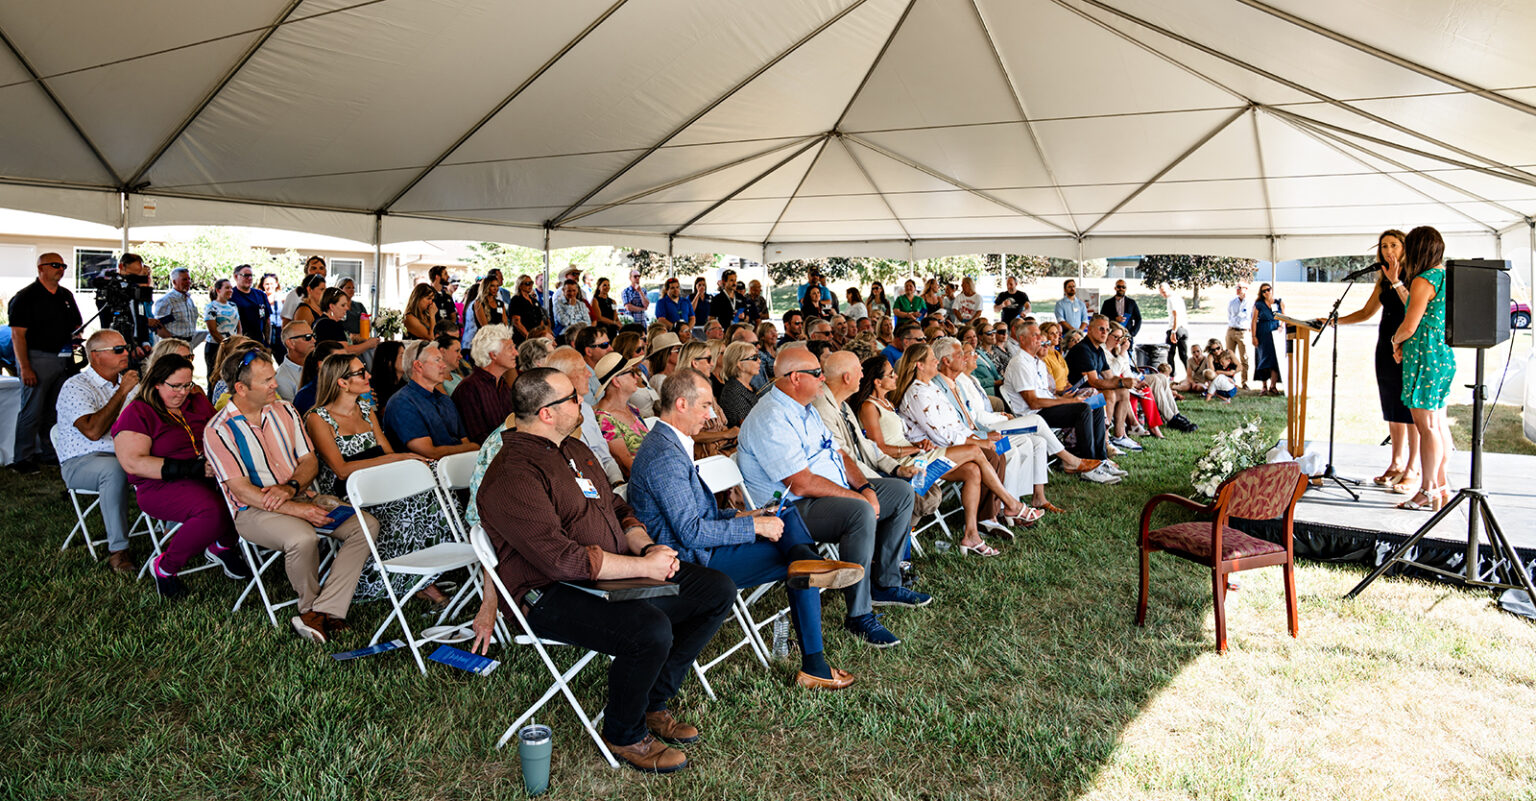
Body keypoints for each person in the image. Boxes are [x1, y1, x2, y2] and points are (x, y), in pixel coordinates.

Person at [474, 367, 736, 773]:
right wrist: (642, 566)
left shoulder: (572, 449)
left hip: (614, 570)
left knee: (715, 589)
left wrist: (646, 545)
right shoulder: (513, 473)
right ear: (546, 413)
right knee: (648, 628)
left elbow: (616, 507)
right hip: (549, 593)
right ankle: (624, 733)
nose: (582, 402)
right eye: (572, 399)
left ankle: (651, 702)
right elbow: (561, 559)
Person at [629, 368, 864, 690]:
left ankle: (807, 562)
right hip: (690, 561)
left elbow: (702, 516)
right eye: (705, 406)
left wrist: (747, 516)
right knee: (796, 567)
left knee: (786, 513)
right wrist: (754, 526)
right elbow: (690, 533)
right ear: (681, 404)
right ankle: (814, 664)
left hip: (702, 545)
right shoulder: (663, 455)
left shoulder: (671, 443)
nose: (711, 415)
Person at [736, 347, 926, 649]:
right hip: (789, 510)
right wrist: (858, 498)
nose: (823, 378)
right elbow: (800, 484)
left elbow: (839, 453)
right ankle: (859, 615)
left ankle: (886, 583)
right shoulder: (771, 417)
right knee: (858, 512)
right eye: (817, 373)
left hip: (828, 494)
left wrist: (864, 488)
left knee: (901, 492)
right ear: (795, 378)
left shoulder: (806, 407)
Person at [205, 348, 377, 643]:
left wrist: (292, 489)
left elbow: (309, 460)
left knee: (366, 526)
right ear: (241, 389)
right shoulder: (218, 430)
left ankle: (325, 611)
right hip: (253, 512)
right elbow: (242, 491)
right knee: (302, 537)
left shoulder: (285, 409)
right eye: (267, 380)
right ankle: (309, 607)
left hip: (301, 495)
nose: (276, 384)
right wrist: (298, 510)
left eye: (274, 377)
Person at [305, 353, 453, 606]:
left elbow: (387, 452)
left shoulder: (365, 409)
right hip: (350, 492)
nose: (369, 376)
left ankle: (424, 573)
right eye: (361, 373)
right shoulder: (318, 418)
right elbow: (341, 469)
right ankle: (405, 579)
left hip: (383, 482)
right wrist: (397, 460)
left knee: (437, 496)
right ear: (342, 382)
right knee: (408, 505)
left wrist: (403, 462)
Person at [111, 353, 249, 598]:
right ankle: (165, 567)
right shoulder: (138, 412)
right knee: (214, 510)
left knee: (249, 495)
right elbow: (134, 463)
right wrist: (193, 468)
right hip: (160, 486)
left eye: (188, 385)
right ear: (156, 383)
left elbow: (219, 430)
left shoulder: (194, 402)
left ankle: (222, 545)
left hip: (207, 475)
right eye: (176, 386)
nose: (183, 392)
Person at [893, 342, 1039, 538]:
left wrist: (979, 437)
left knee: (994, 453)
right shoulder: (917, 393)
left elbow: (956, 425)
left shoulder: (930, 387)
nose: (936, 361)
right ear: (919, 365)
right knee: (990, 454)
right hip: (931, 452)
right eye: (932, 359)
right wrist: (977, 442)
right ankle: (1000, 510)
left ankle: (985, 520)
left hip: (950, 446)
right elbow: (942, 435)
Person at [1333, 229, 1419, 489]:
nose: (1388, 251)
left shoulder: (1415, 277)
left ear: (1405, 248)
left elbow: (1415, 309)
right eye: (1384, 246)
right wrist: (1334, 321)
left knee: (1410, 408)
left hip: (1408, 345)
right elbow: (1367, 312)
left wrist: (1396, 280)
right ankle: (1396, 462)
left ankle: (1413, 468)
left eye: (1394, 245)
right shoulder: (1382, 278)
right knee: (1392, 406)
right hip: (1385, 345)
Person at [54, 330, 138, 574]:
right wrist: (121, 393)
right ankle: (118, 550)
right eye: (118, 350)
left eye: (126, 347)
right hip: (83, 462)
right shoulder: (76, 386)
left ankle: (170, 532)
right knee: (114, 470)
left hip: (126, 454)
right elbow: (93, 431)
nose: (126, 353)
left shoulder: (129, 383)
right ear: (95, 356)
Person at [1392, 226, 1457, 512]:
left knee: (1426, 426)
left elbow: (1410, 324)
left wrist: (1395, 341)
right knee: (1438, 424)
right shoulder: (1445, 276)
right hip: (1441, 355)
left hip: (1424, 357)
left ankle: (1427, 489)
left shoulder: (1422, 280)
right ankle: (1441, 486)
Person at [1002, 320, 1120, 475]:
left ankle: (1100, 459)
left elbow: (1047, 394)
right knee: (1083, 408)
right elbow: (1033, 402)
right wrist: (1069, 401)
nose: (1039, 338)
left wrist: (1064, 398)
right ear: (1022, 339)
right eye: (1034, 335)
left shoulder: (1037, 362)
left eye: (1039, 334)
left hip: (1048, 407)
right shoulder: (1019, 363)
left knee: (1095, 403)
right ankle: (1087, 464)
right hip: (1034, 415)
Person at [9, 252, 83, 473]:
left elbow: (76, 325)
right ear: (40, 268)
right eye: (54, 265)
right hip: (37, 358)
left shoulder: (66, 295)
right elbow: (17, 336)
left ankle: (49, 452)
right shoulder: (25, 297)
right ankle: (23, 457)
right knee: (32, 410)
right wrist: (25, 367)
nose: (60, 269)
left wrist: (76, 339)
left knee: (54, 410)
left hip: (65, 358)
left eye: (63, 265)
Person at [383, 341, 479, 459]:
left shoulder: (445, 400)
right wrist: (472, 447)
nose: (443, 365)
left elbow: (464, 441)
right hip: (424, 472)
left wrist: (470, 448)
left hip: (457, 466)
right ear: (419, 366)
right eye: (437, 360)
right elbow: (429, 452)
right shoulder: (401, 402)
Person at [1068, 315, 1142, 452]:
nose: (1105, 333)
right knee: (1108, 393)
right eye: (1101, 329)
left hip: (1089, 391)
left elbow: (1109, 376)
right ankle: (1105, 441)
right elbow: (1094, 382)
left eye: (1107, 330)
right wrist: (1121, 382)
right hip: (1076, 396)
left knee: (1123, 390)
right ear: (1089, 329)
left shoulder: (1098, 350)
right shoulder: (1083, 349)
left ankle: (1120, 435)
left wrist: (1129, 383)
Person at [452, 325, 517, 444]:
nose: (516, 353)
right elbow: (479, 438)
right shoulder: (469, 389)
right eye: (510, 348)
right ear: (493, 355)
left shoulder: (502, 385)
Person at [592, 350, 651, 478]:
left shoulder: (632, 408)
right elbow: (628, 467)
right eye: (631, 372)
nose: (637, 377)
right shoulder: (603, 419)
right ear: (616, 382)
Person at [676, 341, 738, 457]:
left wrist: (730, 435)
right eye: (709, 359)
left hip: (723, 450)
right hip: (707, 458)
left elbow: (720, 423)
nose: (712, 364)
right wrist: (726, 434)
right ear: (695, 363)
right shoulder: (685, 393)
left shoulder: (704, 388)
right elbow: (690, 434)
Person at [313, 288, 379, 356]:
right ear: (332, 306)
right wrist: (368, 344)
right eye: (343, 305)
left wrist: (363, 339)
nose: (347, 308)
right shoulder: (330, 325)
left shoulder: (322, 321)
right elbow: (346, 351)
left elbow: (350, 337)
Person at [292, 340, 345, 414]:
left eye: (347, 359)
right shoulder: (306, 396)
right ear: (321, 365)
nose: (346, 364)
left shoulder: (344, 386)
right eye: (338, 361)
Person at [1251, 283, 1285, 397]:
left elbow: (1284, 317)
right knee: (1263, 359)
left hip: (1275, 333)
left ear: (1272, 290)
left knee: (1275, 360)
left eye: (1268, 290)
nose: (1266, 292)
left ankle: (1273, 385)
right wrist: (1254, 336)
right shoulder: (1258, 304)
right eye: (1263, 291)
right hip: (1263, 333)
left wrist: (1281, 326)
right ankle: (1264, 386)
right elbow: (1254, 321)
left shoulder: (1279, 302)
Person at [203, 279, 240, 380]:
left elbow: (238, 326)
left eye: (231, 288)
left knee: (231, 376)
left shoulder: (233, 306)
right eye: (227, 288)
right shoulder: (211, 307)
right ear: (218, 290)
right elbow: (213, 331)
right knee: (214, 377)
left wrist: (237, 342)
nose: (230, 290)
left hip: (233, 347)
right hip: (215, 347)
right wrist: (225, 345)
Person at [152, 267, 201, 344]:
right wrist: (174, 342)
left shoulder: (189, 300)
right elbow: (157, 327)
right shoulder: (166, 301)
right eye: (184, 280)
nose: (188, 282)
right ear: (174, 282)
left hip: (189, 344)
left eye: (189, 279)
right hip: (172, 345)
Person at [718, 341, 760, 427]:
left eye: (758, 357)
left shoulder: (749, 386)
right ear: (739, 364)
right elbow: (747, 425)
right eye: (754, 358)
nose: (759, 361)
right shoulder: (733, 391)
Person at [230, 265, 271, 351]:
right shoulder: (230, 296)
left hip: (258, 344)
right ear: (236, 276)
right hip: (239, 346)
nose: (249, 278)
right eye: (246, 275)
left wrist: (267, 343)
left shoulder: (260, 295)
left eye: (251, 275)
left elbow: (266, 320)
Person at [281, 256, 328, 326]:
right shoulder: (295, 295)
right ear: (306, 271)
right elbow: (286, 323)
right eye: (313, 268)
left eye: (321, 268)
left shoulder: (328, 294)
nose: (318, 271)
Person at [275, 321, 315, 402]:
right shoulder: (282, 378)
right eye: (307, 337)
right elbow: (293, 411)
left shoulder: (319, 364)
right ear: (290, 343)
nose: (314, 340)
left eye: (314, 336)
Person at [1225, 283, 1252, 388]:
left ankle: (1245, 382)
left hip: (1243, 332)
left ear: (1246, 289)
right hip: (1231, 330)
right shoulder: (1232, 302)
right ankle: (1229, 381)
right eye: (1237, 288)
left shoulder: (1250, 303)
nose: (1238, 290)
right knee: (1228, 357)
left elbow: (1251, 317)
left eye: (1240, 288)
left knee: (1244, 357)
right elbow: (1229, 316)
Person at [507, 274, 547, 342]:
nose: (530, 285)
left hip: (536, 335)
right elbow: (516, 322)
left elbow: (540, 319)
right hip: (522, 337)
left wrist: (542, 334)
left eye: (531, 283)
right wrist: (528, 336)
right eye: (527, 283)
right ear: (520, 285)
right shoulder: (516, 300)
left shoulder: (534, 300)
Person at [1160, 282, 1189, 378]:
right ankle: (1191, 375)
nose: (1163, 294)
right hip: (1183, 328)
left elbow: (1176, 315)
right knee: (1183, 355)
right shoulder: (1178, 297)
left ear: (1169, 288)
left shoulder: (1171, 299)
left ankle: (1171, 375)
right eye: (1161, 293)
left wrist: (1173, 331)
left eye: (1164, 292)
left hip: (1176, 329)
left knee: (1170, 353)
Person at [369, 341, 407, 411]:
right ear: (388, 360)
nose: (406, 359)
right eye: (402, 356)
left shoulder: (406, 386)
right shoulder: (373, 389)